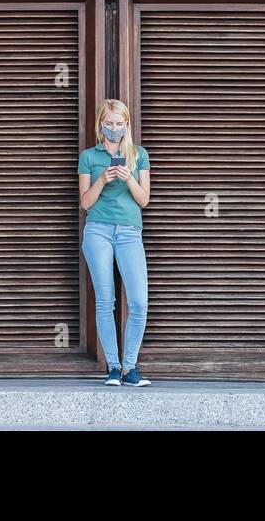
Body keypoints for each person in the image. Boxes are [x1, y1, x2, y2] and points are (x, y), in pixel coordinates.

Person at [78, 99, 152, 387]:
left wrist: (128, 179)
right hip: (98, 231)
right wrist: (103, 180)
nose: (114, 129)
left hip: (130, 232)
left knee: (139, 302)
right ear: (100, 124)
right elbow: (85, 202)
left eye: (119, 124)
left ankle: (131, 367)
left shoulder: (139, 155)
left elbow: (144, 199)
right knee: (105, 301)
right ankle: (113, 367)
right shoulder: (89, 157)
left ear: (127, 125)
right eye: (109, 124)